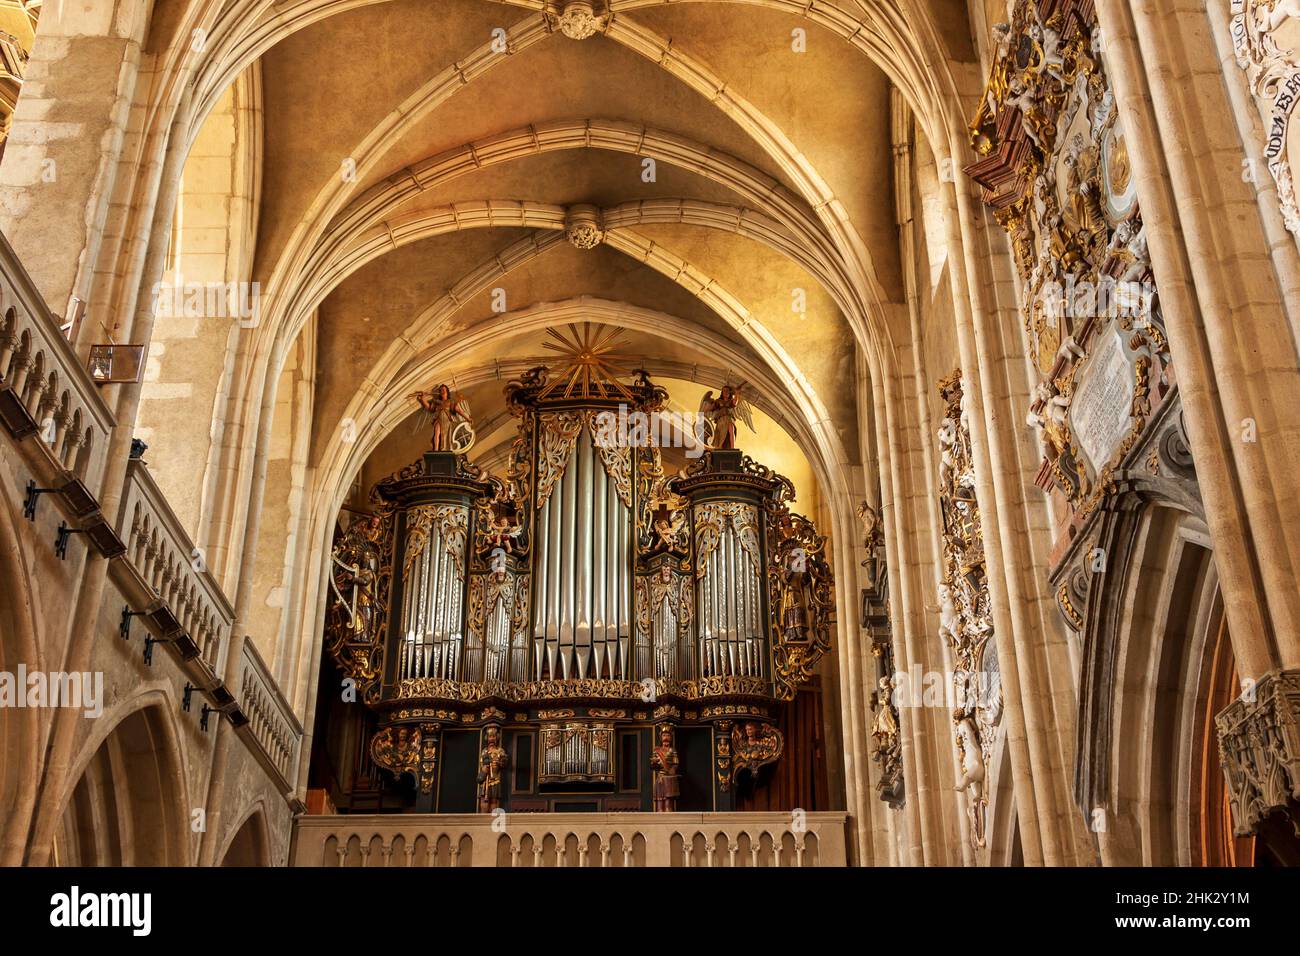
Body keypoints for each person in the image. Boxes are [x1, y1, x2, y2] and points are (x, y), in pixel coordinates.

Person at [476, 726, 509, 813]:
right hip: (485, 780)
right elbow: (481, 763)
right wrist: (483, 769)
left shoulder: (500, 751)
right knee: (484, 799)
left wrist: (499, 762)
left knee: (494, 800)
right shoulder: (484, 751)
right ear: (487, 738)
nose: (491, 738)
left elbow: (505, 763)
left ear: (496, 737)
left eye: (493, 736)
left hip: (495, 778)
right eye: (490, 736)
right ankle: (483, 819)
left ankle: (493, 819)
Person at [649, 725, 680, 812]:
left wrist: (672, 770)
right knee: (660, 803)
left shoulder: (672, 750)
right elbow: (653, 767)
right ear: (661, 737)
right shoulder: (657, 750)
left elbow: (676, 763)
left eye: (668, 735)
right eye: (664, 735)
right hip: (660, 778)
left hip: (669, 779)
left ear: (671, 737)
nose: (666, 737)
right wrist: (654, 763)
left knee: (668, 803)